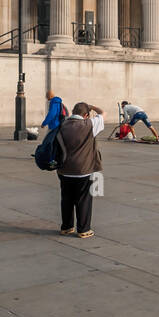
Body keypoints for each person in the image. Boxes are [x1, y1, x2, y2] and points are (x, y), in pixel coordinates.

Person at [57, 101, 102, 238]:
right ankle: (83, 229)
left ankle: (67, 227)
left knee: (66, 199)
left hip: (64, 169)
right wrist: (93, 106)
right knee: (84, 200)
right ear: (86, 115)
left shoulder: (63, 124)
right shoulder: (90, 124)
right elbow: (102, 113)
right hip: (84, 170)